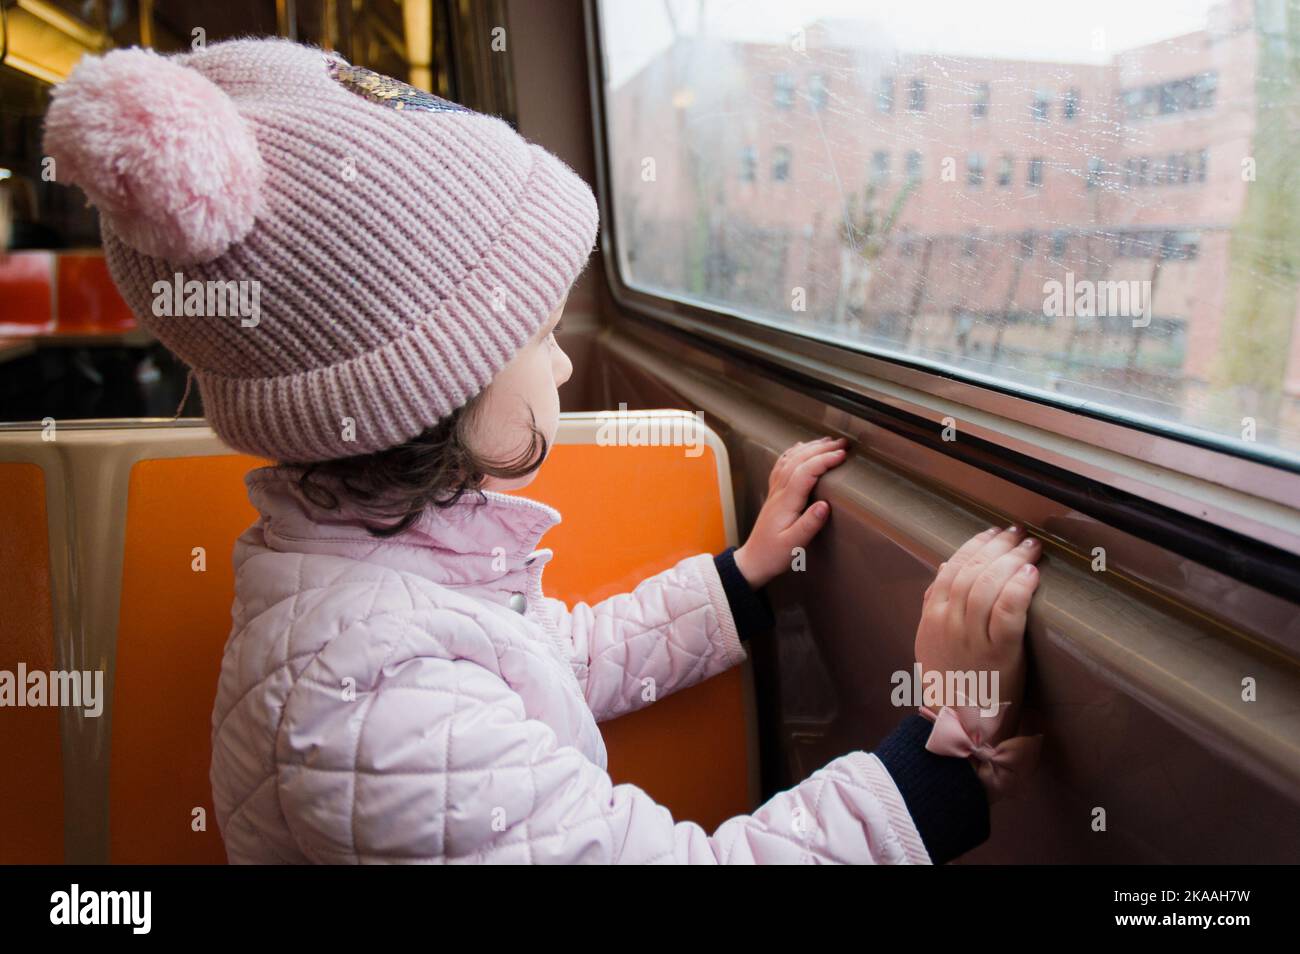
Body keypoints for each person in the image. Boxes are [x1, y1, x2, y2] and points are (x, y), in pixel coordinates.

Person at [43, 37, 1041, 864]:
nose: (561, 369)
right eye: (538, 334)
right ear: (428, 384)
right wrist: (934, 757)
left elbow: (540, 661)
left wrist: (736, 581)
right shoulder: (376, 702)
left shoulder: (367, 575)